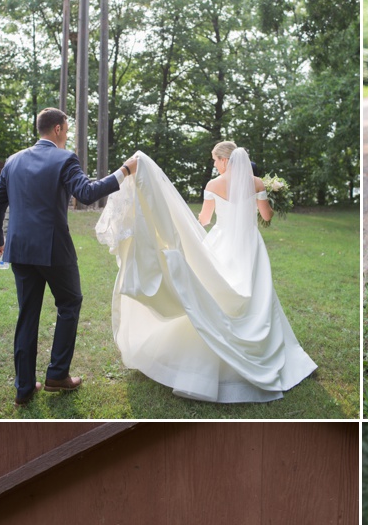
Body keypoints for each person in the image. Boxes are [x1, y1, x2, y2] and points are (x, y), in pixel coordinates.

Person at [95, 142, 316, 404]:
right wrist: (267, 199)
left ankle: (206, 349)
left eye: (215, 160)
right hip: (249, 246)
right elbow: (266, 217)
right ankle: (265, 347)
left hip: (222, 243)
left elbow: (205, 219)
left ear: (224, 160)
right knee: (258, 296)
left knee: (213, 292)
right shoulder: (257, 183)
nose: (214, 165)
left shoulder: (213, 186)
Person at [0, 107, 138, 406]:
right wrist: (124, 170)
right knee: (69, 303)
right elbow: (86, 192)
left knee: (27, 315)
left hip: (20, 250)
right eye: (67, 128)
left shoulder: (13, 161)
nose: (67, 134)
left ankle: (24, 389)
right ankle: (57, 375)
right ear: (57, 129)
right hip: (54, 250)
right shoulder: (64, 158)